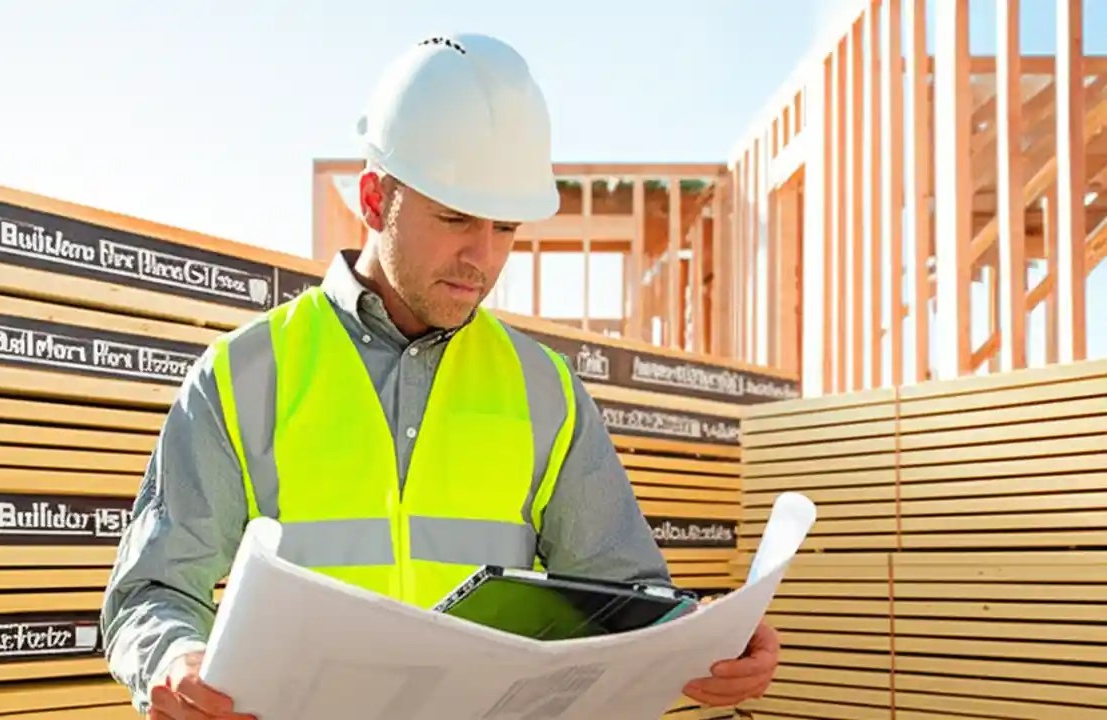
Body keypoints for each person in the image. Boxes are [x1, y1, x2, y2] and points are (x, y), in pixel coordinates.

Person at [100, 32, 779, 719]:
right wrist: (174, 658)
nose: (481, 258)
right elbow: (151, 592)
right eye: (454, 218)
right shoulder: (242, 376)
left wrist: (701, 637)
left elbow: (624, 597)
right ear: (374, 200)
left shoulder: (545, 391)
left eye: (506, 228)